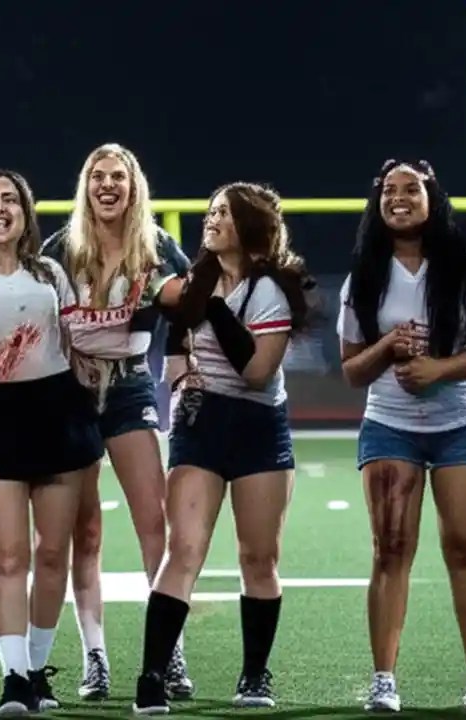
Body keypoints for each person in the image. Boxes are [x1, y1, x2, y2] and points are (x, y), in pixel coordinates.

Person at [130, 182, 312, 715]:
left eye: (223, 214)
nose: (210, 220)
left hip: (257, 427)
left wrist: (212, 308)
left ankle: (254, 674)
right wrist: (181, 372)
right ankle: (152, 675)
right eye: (210, 211)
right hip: (203, 424)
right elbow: (171, 334)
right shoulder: (198, 279)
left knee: (258, 556)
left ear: (248, 226)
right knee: (183, 548)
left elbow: (256, 372)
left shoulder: (270, 290)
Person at [337, 159, 466, 713]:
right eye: (389, 190)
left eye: (411, 189)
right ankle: (384, 679)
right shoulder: (365, 274)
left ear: (433, 198)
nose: (399, 198)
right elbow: (351, 369)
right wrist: (387, 347)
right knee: (390, 549)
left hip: (462, 423)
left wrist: (439, 369)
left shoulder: (465, 265)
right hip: (390, 424)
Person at [0, 170, 103, 715]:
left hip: (58, 414)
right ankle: (12, 679)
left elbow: (78, 345)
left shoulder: (50, 273)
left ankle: (36, 670)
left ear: (25, 213)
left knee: (53, 553)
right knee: (10, 556)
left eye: (9, 199)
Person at [41, 143, 193, 700]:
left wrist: (182, 366)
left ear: (134, 188)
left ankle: (168, 654)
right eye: (98, 177)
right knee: (83, 531)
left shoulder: (157, 246)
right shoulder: (60, 249)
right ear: (86, 186)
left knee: (154, 521)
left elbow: (192, 306)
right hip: (72, 393)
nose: (108, 186)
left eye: (118, 177)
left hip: (129, 387)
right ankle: (95, 656)